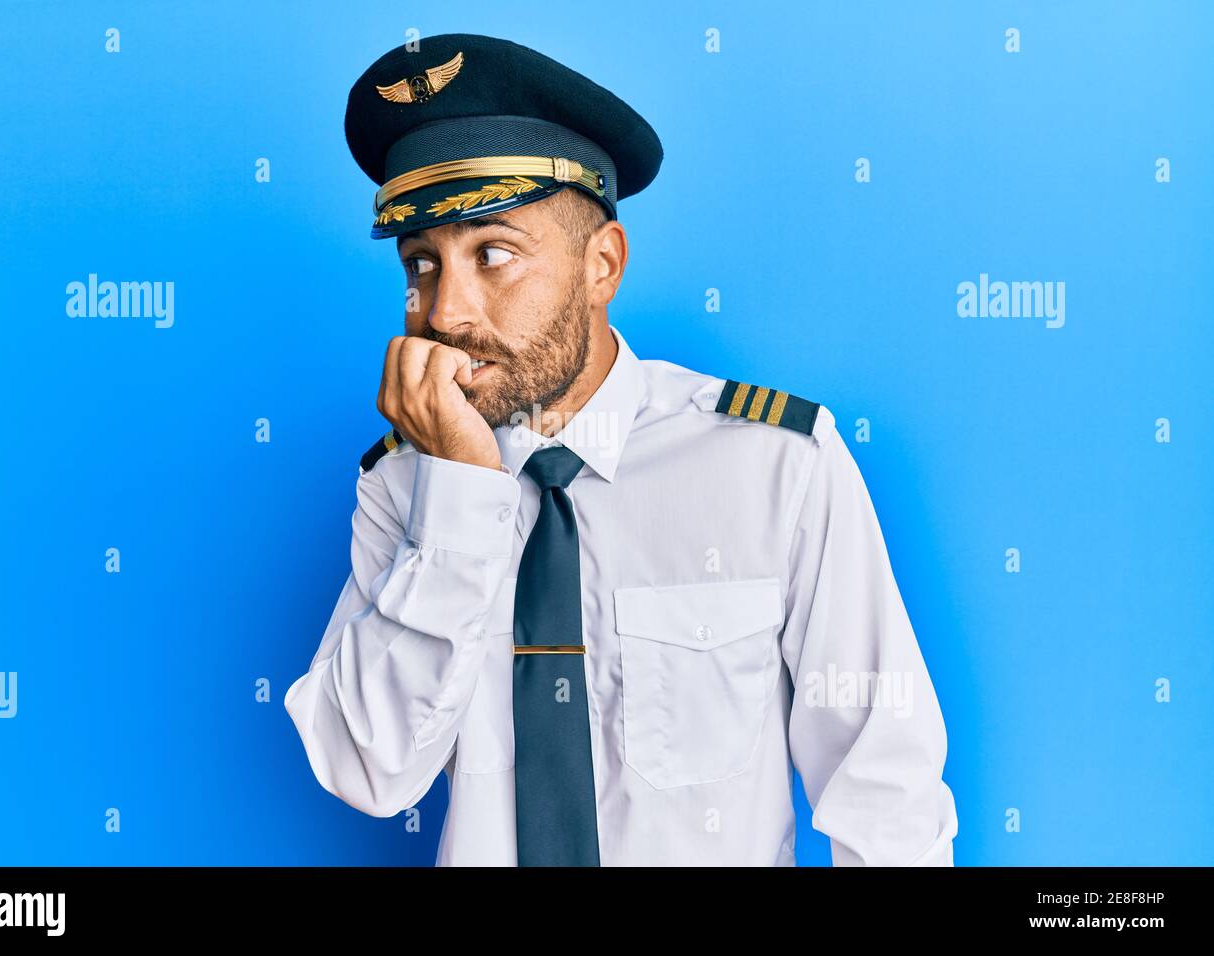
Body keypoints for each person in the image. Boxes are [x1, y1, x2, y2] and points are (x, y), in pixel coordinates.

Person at [284, 32, 958, 866]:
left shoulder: (778, 462)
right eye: (422, 264)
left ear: (602, 265)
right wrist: (456, 498)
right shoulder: (405, 484)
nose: (446, 313)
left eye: (493, 254)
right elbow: (364, 770)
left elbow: (883, 792)